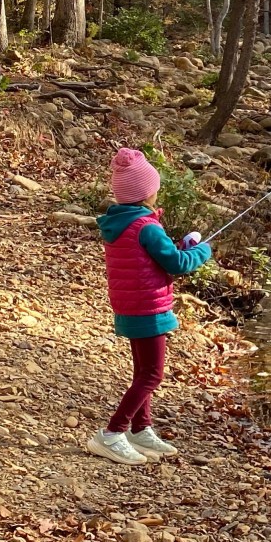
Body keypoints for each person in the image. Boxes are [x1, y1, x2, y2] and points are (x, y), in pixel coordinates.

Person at [87, 148, 213, 466]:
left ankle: (140, 429)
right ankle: (112, 433)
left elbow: (153, 258)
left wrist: (181, 247)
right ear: (146, 193)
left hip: (130, 306)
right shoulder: (147, 226)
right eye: (155, 187)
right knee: (152, 375)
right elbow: (177, 264)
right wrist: (202, 251)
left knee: (142, 372)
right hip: (148, 309)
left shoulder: (121, 223)